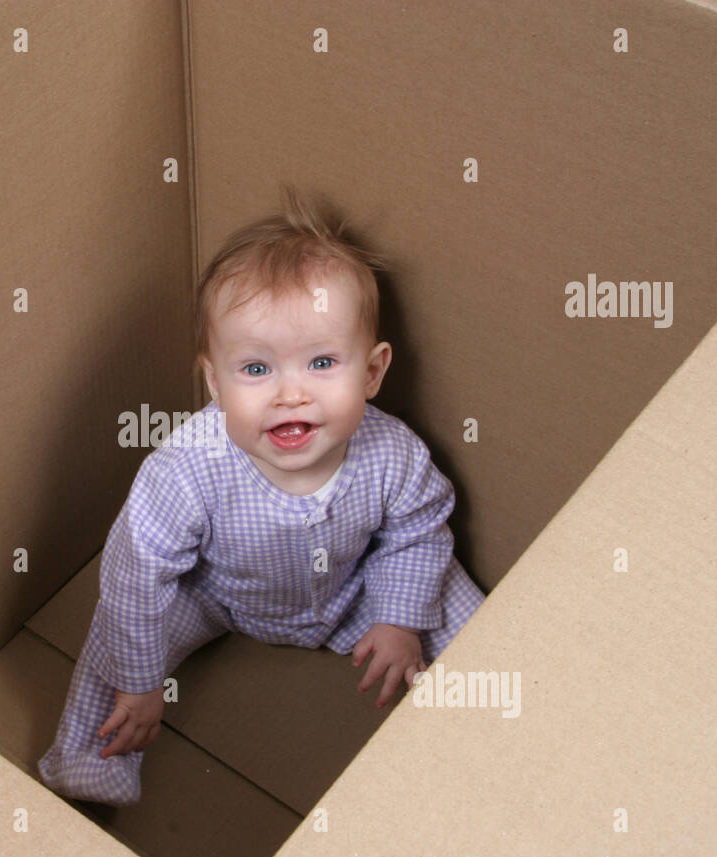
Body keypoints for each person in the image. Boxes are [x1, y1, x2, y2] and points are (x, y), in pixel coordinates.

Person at [38, 185, 485, 806]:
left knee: (455, 596)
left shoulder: (395, 453)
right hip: (216, 595)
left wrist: (398, 617)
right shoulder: (187, 468)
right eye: (256, 369)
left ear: (374, 371)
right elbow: (136, 574)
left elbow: (418, 529)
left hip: (355, 588)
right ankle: (91, 759)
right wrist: (141, 683)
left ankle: (496, 727)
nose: (290, 394)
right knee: (117, 631)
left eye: (323, 363)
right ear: (214, 382)